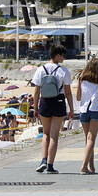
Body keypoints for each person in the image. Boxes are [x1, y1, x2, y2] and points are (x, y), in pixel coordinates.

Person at [32, 44, 74, 175]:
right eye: (62, 55)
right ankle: (50, 165)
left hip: (45, 101)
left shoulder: (41, 69)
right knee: (54, 136)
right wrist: (71, 108)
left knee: (46, 133)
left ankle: (43, 160)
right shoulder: (63, 71)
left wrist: (36, 107)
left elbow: (36, 91)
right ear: (57, 55)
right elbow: (68, 92)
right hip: (59, 101)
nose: (63, 58)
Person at [74, 57, 98, 175]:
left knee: (87, 138)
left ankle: (91, 166)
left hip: (84, 110)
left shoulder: (82, 80)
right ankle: (84, 166)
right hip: (96, 109)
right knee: (91, 138)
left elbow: (78, 97)